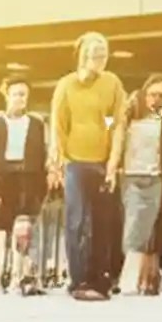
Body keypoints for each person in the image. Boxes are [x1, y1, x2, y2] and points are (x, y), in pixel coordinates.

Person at [50, 32, 128, 301]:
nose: (100, 59)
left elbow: (117, 124)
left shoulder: (113, 84)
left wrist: (113, 162)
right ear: (83, 55)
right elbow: (58, 127)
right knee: (77, 221)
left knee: (104, 223)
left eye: (104, 54)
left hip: (102, 163)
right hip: (75, 162)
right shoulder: (67, 85)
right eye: (95, 54)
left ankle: (100, 278)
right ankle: (79, 280)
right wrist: (58, 162)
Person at [107, 73, 162, 296]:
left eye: (161, 95)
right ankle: (126, 277)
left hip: (155, 176)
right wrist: (112, 167)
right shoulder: (129, 113)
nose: (156, 99)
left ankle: (136, 278)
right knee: (132, 225)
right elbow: (112, 131)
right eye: (152, 94)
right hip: (131, 174)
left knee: (146, 228)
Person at [0, 76, 49, 295]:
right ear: (6, 95)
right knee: (0, 229)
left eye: (24, 95)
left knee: (23, 228)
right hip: (1, 179)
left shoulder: (35, 123)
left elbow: (42, 155)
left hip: (27, 178)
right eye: (16, 94)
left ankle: (20, 274)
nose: (20, 99)